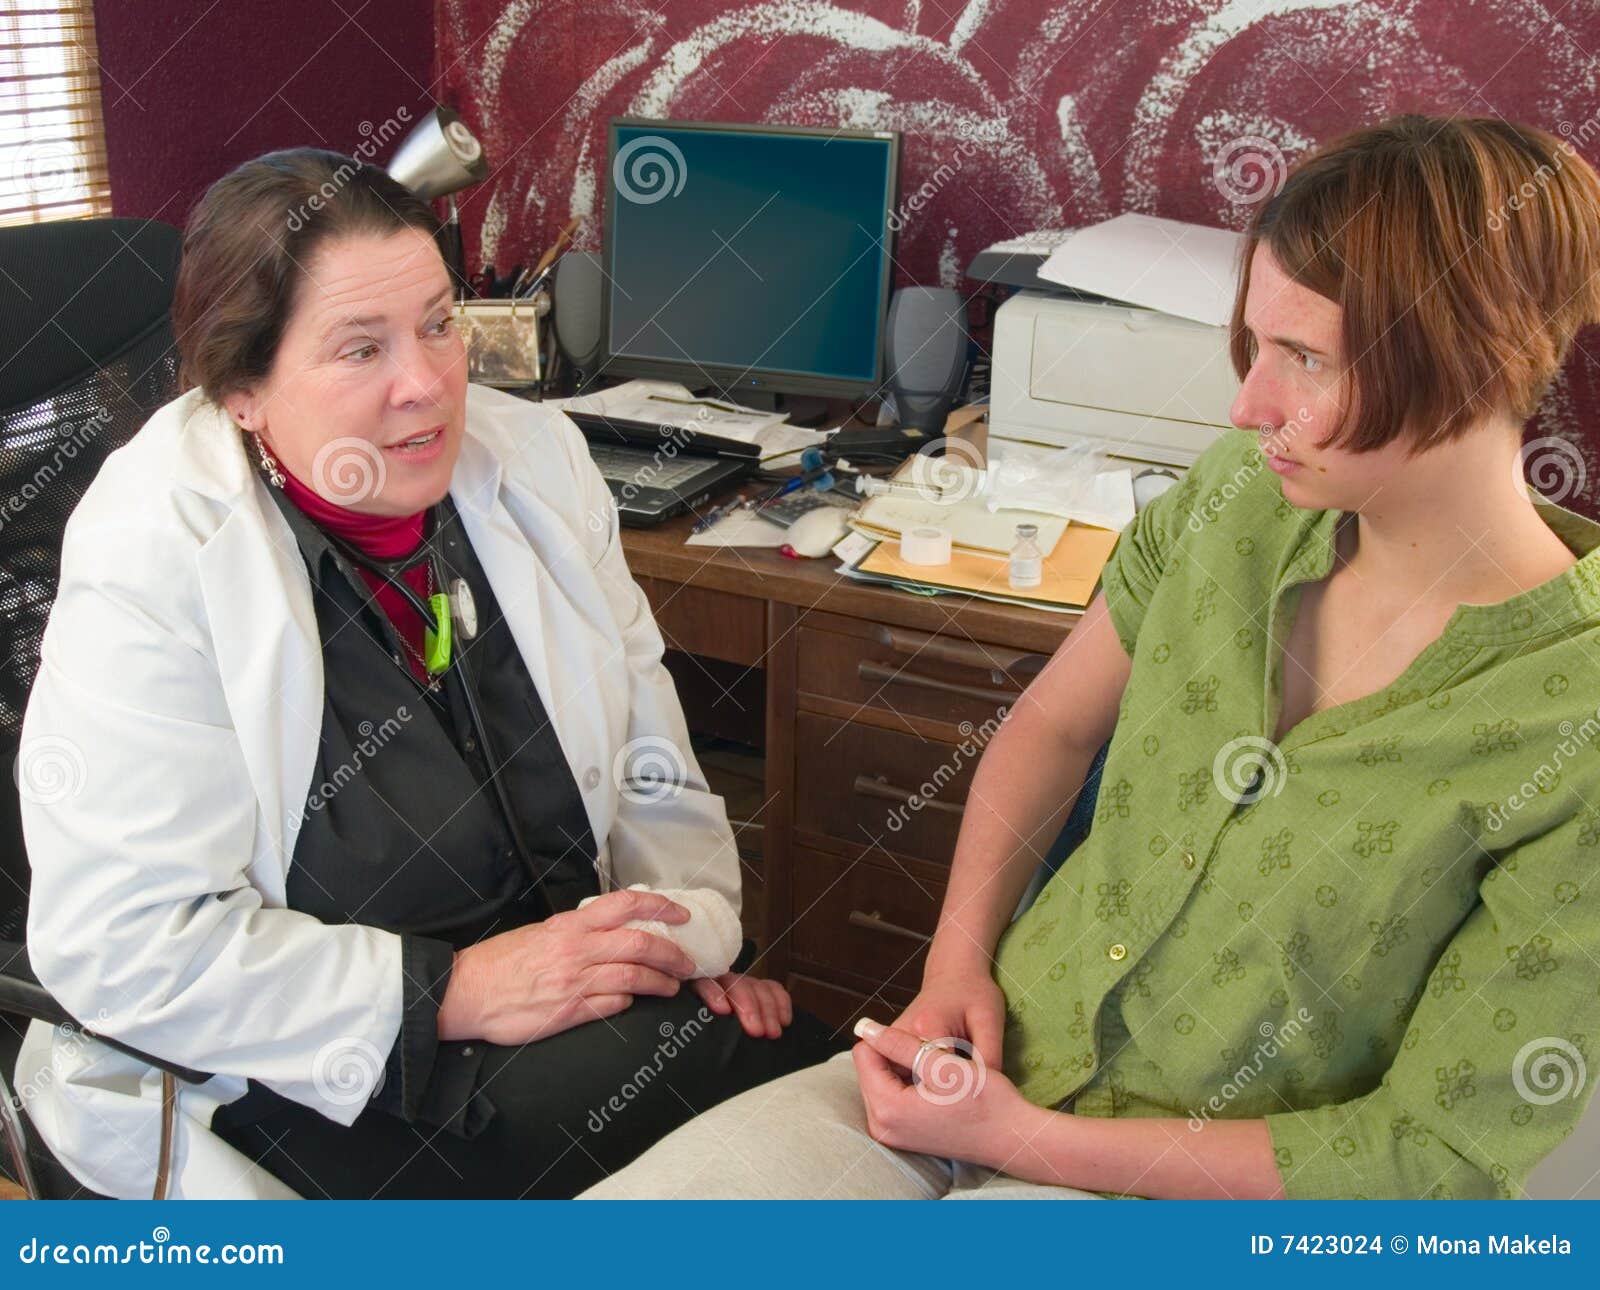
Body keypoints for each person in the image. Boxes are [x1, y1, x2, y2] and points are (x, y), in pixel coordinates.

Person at [583, 114, 1600, 1200]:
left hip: (1197, 1187)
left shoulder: (1567, 713)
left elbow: (1427, 1155)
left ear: (1475, 358)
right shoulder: (1235, 498)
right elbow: (1053, 726)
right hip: (979, 1069)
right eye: (1254, 344)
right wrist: (954, 964)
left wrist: (1018, 1143)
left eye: (1306, 359)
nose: (1247, 405)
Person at [15, 149, 836, 1200]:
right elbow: (122, 949)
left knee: (796, 1084)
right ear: (242, 393)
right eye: (361, 348)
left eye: (439, 324)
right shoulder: (155, 549)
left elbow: (647, 759)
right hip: (316, 1067)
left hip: (561, 992)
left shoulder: (533, 461)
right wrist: (450, 990)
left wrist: (687, 942)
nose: (429, 382)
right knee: (781, 1100)